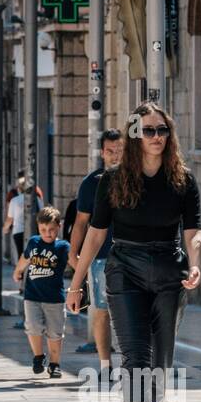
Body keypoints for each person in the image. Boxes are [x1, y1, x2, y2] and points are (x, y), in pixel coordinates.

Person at [66, 102, 201, 402]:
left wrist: (195, 262)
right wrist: (76, 285)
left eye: (161, 130)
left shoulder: (183, 180)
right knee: (136, 357)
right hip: (124, 268)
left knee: (161, 361)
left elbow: (193, 230)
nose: (155, 137)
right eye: (147, 130)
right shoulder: (112, 181)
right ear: (134, 135)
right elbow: (95, 235)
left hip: (169, 271)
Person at [70, 129, 125, 370]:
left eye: (120, 150)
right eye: (111, 151)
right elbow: (81, 222)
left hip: (132, 254)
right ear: (102, 153)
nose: (116, 156)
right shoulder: (92, 183)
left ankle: (132, 362)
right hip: (101, 257)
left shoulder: (138, 179)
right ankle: (105, 364)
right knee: (102, 310)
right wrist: (73, 252)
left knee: (130, 312)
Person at [14, 207, 72, 378]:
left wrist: (84, 275)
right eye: (43, 230)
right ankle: (38, 357)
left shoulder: (63, 246)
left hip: (54, 298)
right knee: (32, 327)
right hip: (32, 295)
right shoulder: (34, 242)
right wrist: (18, 271)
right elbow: (26, 258)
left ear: (59, 227)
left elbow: (75, 262)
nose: (47, 233)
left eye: (51, 230)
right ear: (38, 228)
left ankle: (55, 364)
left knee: (55, 332)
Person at [2, 175, 44, 262]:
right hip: (34, 230)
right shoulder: (37, 199)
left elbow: (10, 219)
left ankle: (20, 273)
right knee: (34, 254)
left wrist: (5, 228)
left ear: (19, 188)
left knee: (21, 254)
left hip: (18, 231)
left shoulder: (14, 200)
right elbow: (42, 215)